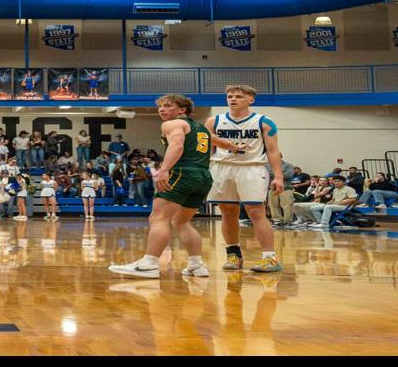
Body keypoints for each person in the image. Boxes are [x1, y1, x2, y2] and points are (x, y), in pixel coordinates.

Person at [109, 94, 232, 279]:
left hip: (182, 172)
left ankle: (149, 264)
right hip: (203, 177)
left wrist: (164, 169)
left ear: (182, 110)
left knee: (159, 217)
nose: (162, 109)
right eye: (160, 106)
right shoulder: (201, 128)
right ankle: (196, 265)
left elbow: (177, 145)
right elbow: (219, 142)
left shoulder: (172, 124)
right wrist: (235, 147)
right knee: (181, 222)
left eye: (167, 106)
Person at [207, 84, 284, 273]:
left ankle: (270, 259)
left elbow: (273, 151)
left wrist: (279, 177)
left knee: (256, 211)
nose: (233, 99)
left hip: (252, 168)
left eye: (239, 96)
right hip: (221, 168)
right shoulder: (213, 121)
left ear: (251, 99)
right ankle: (233, 255)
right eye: (230, 96)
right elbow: (208, 150)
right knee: (228, 212)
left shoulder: (264, 122)